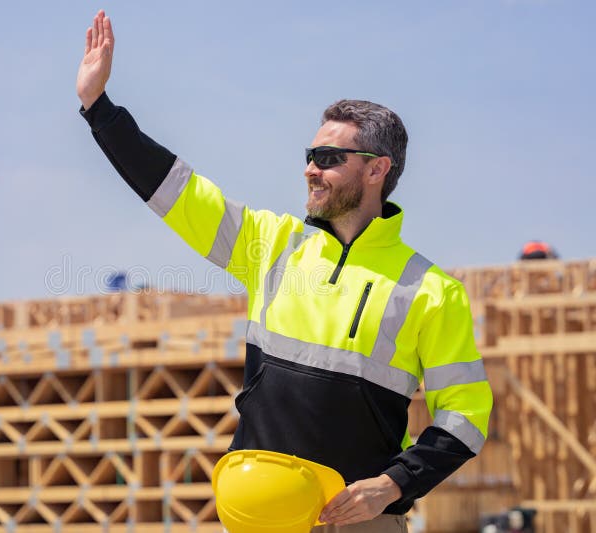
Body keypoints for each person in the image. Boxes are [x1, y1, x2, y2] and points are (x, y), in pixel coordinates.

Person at [76, 11, 492, 532]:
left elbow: (466, 413)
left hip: (361, 523)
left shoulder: (431, 291)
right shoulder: (269, 245)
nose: (310, 168)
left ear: (376, 169)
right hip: (263, 518)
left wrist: (393, 485)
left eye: (328, 157)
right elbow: (178, 192)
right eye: (310, 154)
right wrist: (99, 108)